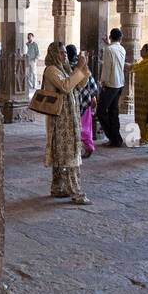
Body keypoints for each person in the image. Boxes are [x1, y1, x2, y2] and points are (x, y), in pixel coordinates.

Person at [42, 41, 91, 204]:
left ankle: (58, 187)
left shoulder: (65, 68)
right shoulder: (51, 70)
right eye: (61, 53)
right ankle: (76, 192)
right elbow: (65, 86)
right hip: (60, 119)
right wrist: (78, 70)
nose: (64, 55)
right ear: (54, 54)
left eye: (65, 53)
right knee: (68, 153)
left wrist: (84, 67)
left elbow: (80, 84)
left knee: (62, 151)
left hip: (70, 117)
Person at [96, 28, 127, 147]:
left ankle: (113, 137)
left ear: (110, 37)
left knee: (101, 111)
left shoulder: (108, 50)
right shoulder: (121, 49)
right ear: (120, 38)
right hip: (119, 83)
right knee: (114, 112)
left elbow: (107, 67)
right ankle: (116, 139)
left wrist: (102, 81)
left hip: (110, 84)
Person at [67, 44, 98, 159]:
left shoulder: (68, 68)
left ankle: (75, 149)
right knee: (86, 126)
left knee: (74, 126)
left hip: (74, 103)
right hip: (86, 102)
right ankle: (88, 145)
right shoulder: (84, 67)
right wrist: (93, 97)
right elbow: (93, 86)